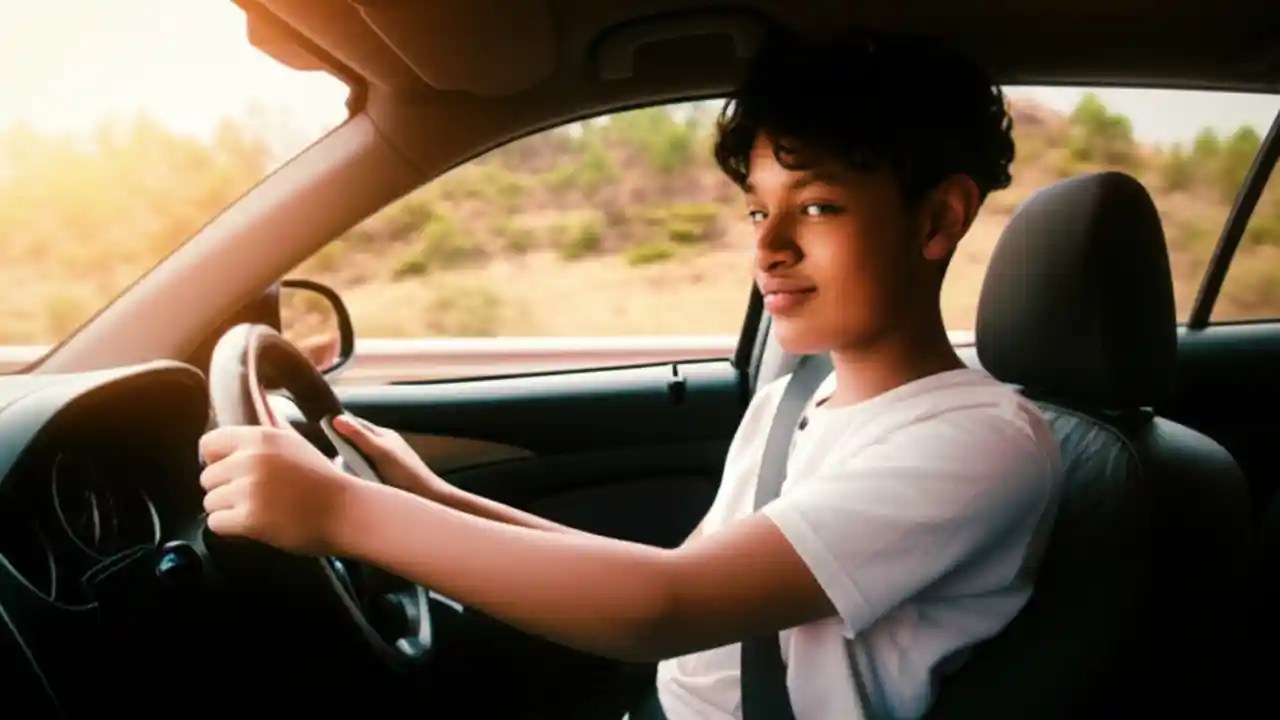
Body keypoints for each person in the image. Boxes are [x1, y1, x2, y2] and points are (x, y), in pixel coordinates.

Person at [197, 27, 1061, 719]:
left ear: (937, 220)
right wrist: (432, 498)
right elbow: (672, 579)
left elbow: (663, 607)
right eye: (757, 210)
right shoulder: (800, 395)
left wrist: (340, 510)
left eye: (818, 207)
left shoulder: (976, 446)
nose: (767, 245)